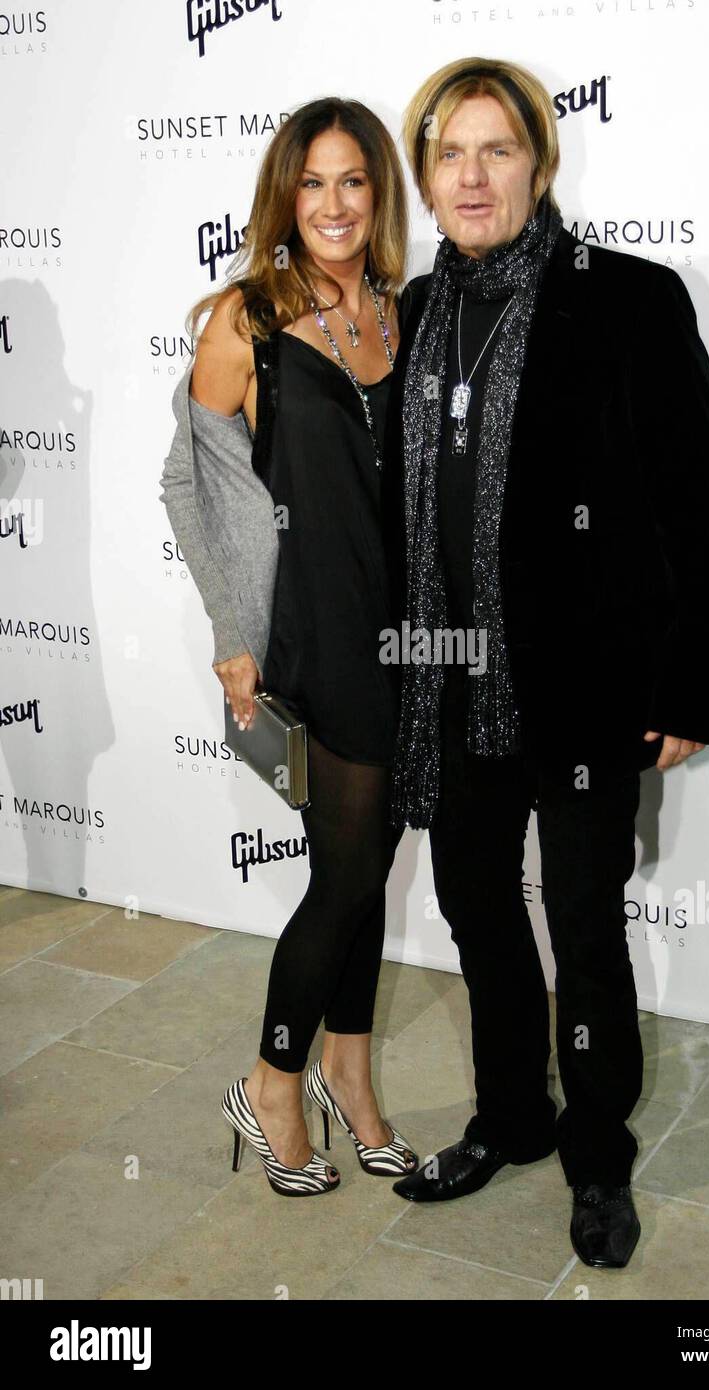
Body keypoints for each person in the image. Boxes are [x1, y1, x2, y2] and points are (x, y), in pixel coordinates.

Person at [380, 57, 709, 1266]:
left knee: (582, 926)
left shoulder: (626, 297)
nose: (473, 176)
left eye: (497, 150)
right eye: (449, 154)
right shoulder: (416, 311)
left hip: (584, 686)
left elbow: (698, 503)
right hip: (450, 678)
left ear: (539, 161)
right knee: (480, 912)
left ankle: (597, 1152)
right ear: (424, 179)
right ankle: (511, 1117)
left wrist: (691, 681)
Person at [159, 98, 419, 1197]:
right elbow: (188, 480)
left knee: (366, 871)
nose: (332, 204)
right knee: (349, 869)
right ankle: (272, 1081)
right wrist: (231, 635)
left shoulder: (403, 311)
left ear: (378, 194)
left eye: (352, 180)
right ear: (283, 194)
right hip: (312, 633)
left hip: (410, 635)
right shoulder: (244, 320)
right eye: (310, 183)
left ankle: (348, 1076)